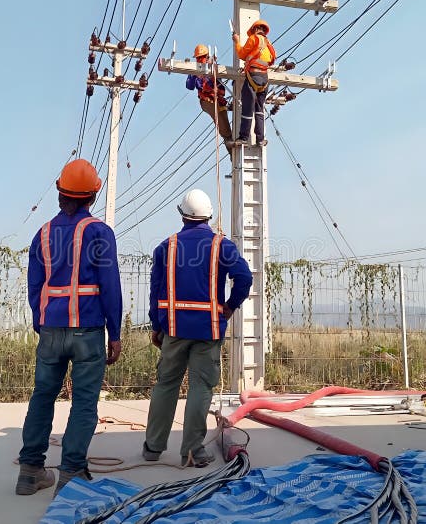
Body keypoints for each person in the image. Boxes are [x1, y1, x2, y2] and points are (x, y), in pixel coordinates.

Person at [16, 158, 123, 498]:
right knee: (84, 403)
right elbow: (110, 285)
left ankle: (30, 472)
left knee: (42, 396)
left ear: (60, 193)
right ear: (92, 196)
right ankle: (71, 472)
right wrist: (115, 332)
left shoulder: (43, 234)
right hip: (87, 330)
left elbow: (35, 286)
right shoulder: (99, 232)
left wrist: (41, 321)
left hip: (50, 329)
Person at [142, 189, 252, 467]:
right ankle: (192, 451)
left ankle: (153, 448)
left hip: (174, 330)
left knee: (166, 385)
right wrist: (230, 305)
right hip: (208, 330)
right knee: (201, 387)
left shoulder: (166, 247)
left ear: (182, 215)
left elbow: (156, 292)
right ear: (209, 216)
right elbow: (244, 277)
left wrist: (157, 326)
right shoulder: (221, 246)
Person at [232, 19, 276, 146]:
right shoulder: (268, 44)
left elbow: (241, 54)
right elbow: (272, 59)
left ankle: (243, 138)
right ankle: (260, 139)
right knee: (259, 109)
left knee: (247, 108)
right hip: (264, 79)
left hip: (253, 77)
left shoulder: (254, 39)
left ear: (256, 29)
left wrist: (236, 41)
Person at [186, 44, 234, 154]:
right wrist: (191, 72)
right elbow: (189, 86)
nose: (200, 59)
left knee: (226, 127)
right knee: (222, 125)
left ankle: (232, 151)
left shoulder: (214, 67)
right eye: (198, 57)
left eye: (202, 57)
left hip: (218, 100)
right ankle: (229, 142)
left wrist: (213, 68)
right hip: (206, 101)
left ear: (207, 56)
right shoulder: (196, 69)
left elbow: (221, 82)